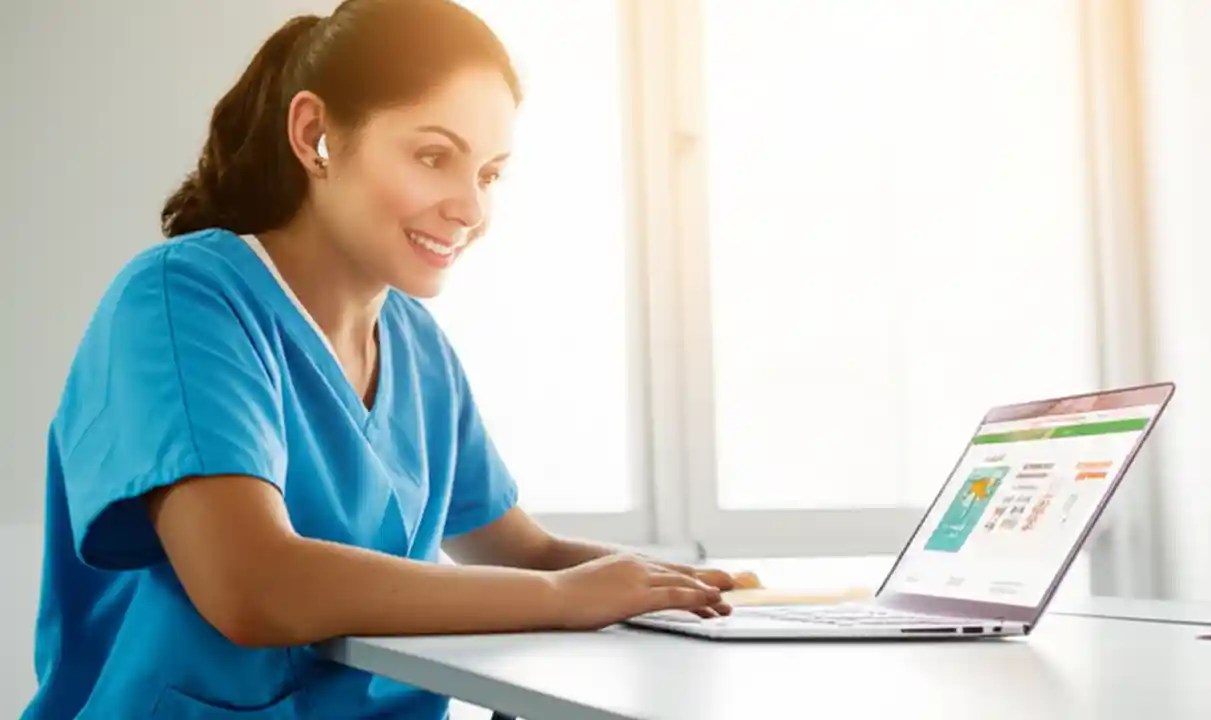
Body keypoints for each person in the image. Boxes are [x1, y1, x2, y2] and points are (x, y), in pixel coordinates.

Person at [24, 1, 739, 717]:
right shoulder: (180, 301)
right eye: (434, 157)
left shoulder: (416, 344)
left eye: (490, 174)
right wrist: (559, 599)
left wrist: (700, 591)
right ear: (315, 136)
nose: (471, 209)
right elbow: (250, 585)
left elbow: (522, 553)